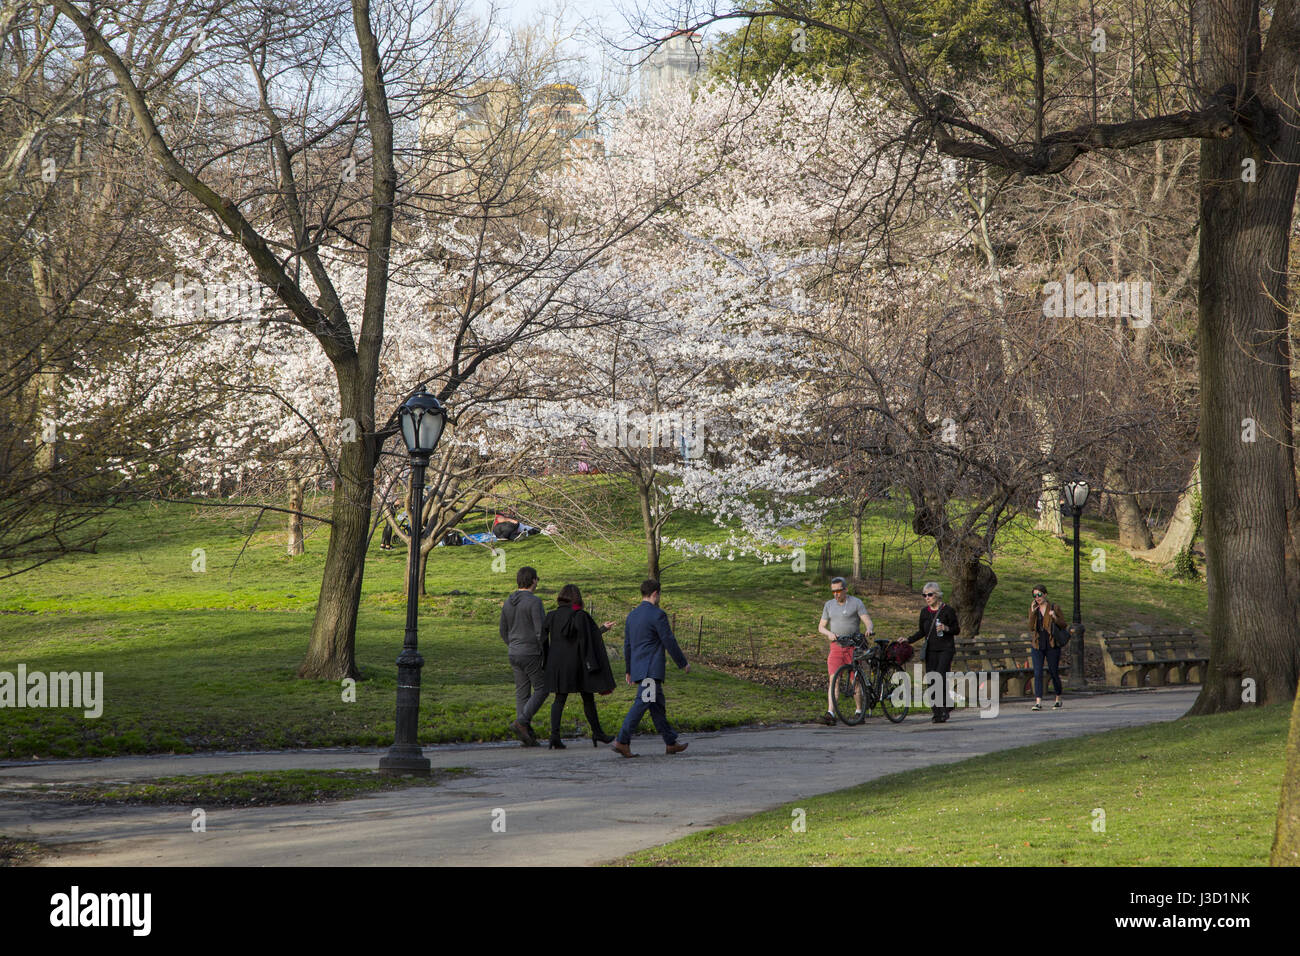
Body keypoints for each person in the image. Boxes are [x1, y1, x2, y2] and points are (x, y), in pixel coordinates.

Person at [613, 579, 690, 757]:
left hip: (639, 667)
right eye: (659, 594)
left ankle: (670, 742)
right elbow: (668, 640)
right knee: (642, 703)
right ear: (655, 593)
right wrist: (683, 662)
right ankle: (622, 740)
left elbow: (628, 645)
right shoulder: (658, 615)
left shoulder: (632, 616)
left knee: (657, 706)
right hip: (651, 669)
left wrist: (629, 669)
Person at [542, 584, 617, 749]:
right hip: (578, 664)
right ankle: (597, 732)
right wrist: (603, 629)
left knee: (559, 699)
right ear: (577, 598)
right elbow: (587, 638)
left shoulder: (551, 615)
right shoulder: (579, 616)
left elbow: (542, 639)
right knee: (588, 698)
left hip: (557, 665)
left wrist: (547, 660)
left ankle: (554, 736)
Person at [815, 577, 874, 725]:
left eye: (838, 591)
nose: (836, 594)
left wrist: (869, 629)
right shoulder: (828, 605)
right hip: (836, 646)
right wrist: (828, 633)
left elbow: (867, 619)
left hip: (854, 646)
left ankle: (859, 711)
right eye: (833, 591)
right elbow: (821, 626)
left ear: (845, 589)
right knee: (833, 680)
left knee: (855, 680)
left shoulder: (856, 602)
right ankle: (830, 713)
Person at [500, 566, 547, 746]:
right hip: (530, 652)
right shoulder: (534, 602)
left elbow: (502, 630)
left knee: (522, 693)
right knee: (542, 688)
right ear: (533, 580)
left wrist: (512, 644)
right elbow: (540, 631)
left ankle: (525, 734)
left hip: (513, 651)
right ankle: (522, 721)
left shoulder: (507, 602)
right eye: (537, 579)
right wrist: (543, 651)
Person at [906, 581, 960, 723]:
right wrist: (907, 640)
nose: (927, 598)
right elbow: (922, 632)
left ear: (937, 595)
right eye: (924, 595)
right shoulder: (924, 612)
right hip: (931, 650)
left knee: (940, 677)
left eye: (930, 595)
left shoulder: (947, 610)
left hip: (946, 649)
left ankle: (943, 710)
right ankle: (937, 711)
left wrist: (946, 628)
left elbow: (957, 629)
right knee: (931, 680)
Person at [1028, 584, 1067, 711]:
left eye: (1039, 594)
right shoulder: (1033, 608)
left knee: (1053, 671)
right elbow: (1030, 627)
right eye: (1035, 595)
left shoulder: (1054, 607)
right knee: (1037, 672)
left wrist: (1054, 617)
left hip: (1052, 644)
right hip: (1038, 644)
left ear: (1045, 594)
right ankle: (1038, 701)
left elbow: (1063, 624)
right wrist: (1033, 613)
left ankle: (1058, 698)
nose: (1037, 597)